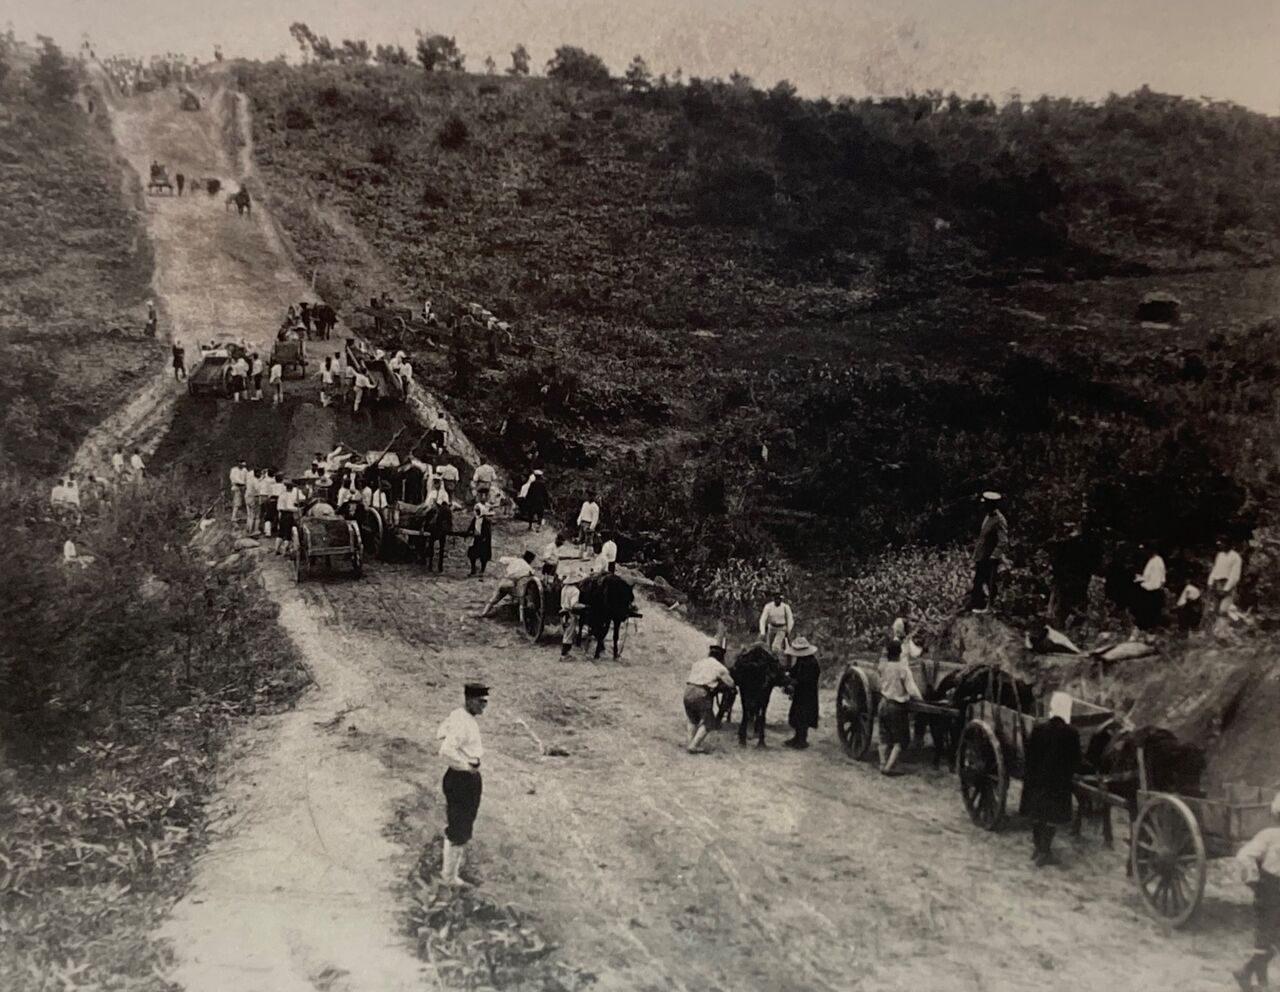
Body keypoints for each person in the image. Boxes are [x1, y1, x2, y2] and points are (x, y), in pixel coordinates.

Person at [436, 682, 489, 887]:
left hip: (461, 777)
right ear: (469, 700)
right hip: (462, 779)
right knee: (460, 828)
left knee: (462, 824)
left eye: (485, 702)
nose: (483, 706)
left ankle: (451, 872)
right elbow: (445, 751)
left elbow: (441, 731)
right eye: (480, 702)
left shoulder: (459, 715)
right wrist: (466, 765)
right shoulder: (462, 722)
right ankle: (449, 877)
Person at [1020, 692, 1081, 867]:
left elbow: (1029, 754)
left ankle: (1038, 848)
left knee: (1037, 814)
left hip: (1037, 780)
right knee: (1052, 818)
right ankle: (1045, 852)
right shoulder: (1071, 733)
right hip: (1058, 784)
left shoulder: (1039, 729)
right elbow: (1075, 760)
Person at [1234, 793, 1280, 990]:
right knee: (1265, 936)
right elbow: (1244, 855)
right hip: (1270, 889)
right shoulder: (1269, 836)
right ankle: (1257, 980)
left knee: (1272, 939)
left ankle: (1247, 974)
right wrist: (1253, 879)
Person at [877, 640, 921, 775]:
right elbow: (912, 690)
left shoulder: (883, 667)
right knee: (900, 740)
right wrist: (921, 699)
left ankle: (882, 764)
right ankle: (889, 767)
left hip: (883, 703)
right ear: (900, 653)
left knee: (884, 737)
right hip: (896, 707)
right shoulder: (903, 669)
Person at [684, 644, 735, 754]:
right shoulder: (720, 668)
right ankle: (694, 745)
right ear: (721, 657)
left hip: (688, 690)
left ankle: (690, 742)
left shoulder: (697, 663)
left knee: (692, 719)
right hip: (702, 693)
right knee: (709, 722)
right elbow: (731, 684)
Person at [971, 492, 1007, 613]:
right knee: (979, 580)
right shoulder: (988, 517)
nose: (984, 506)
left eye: (986, 504)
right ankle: (977, 605)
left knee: (990, 582)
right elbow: (982, 538)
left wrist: (994, 556)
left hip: (990, 556)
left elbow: (1003, 541)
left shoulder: (999, 520)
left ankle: (989, 606)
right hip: (982, 555)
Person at [782, 637, 819, 749]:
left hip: (807, 693)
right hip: (800, 693)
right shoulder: (801, 660)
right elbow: (794, 671)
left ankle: (802, 740)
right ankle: (797, 737)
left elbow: (806, 680)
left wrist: (793, 682)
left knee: (803, 716)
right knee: (797, 715)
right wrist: (787, 673)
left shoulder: (811, 663)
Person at [480, 550, 536, 617]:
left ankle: (484, 613)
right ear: (530, 560)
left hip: (503, 581)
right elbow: (532, 574)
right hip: (511, 584)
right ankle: (521, 617)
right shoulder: (528, 567)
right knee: (522, 599)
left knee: (494, 599)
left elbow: (502, 559)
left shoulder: (515, 560)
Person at [1132, 543, 1166, 635]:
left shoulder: (1157, 561)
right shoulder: (1151, 560)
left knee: (1149, 617)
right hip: (1149, 591)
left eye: (1145, 550)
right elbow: (1149, 577)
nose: (1143, 552)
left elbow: (1155, 581)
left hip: (1151, 592)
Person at [1210, 537, 1244, 618]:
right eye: (1218, 544)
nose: (1220, 546)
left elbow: (1234, 575)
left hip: (1227, 583)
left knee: (1223, 610)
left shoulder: (1235, 557)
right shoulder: (1219, 555)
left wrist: (1226, 589)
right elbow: (1215, 569)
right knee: (1215, 610)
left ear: (1227, 543)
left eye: (1222, 543)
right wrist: (1210, 583)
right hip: (1217, 583)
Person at [467, 503, 492, 576]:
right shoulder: (475, 519)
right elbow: (471, 527)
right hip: (476, 539)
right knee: (471, 554)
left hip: (483, 540)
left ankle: (482, 569)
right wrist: (469, 532)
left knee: (483, 556)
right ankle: (473, 569)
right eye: (476, 510)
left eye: (478, 511)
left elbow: (488, 532)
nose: (477, 512)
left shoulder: (486, 520)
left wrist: (485, 538)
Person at [276, 479, 298, 556]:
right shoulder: (290, 496)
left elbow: (279, 507)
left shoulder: (282, 495)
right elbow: (289, 507)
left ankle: (277, 549)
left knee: (280, 533)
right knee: (287, 534)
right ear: (291, 488)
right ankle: (285, 551)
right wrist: (297, 509)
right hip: (288, 515)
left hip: (281, 514)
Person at [559, 581, 581, 658]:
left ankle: (565, 653)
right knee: (569, 634)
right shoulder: (575, 591)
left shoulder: (564, 588)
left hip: (563, 612)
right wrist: (584, 606)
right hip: (570, 614)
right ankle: (564, 654)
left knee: (566, 632)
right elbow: (573, 605)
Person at [229, 459, 248, 526]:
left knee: (246, 502)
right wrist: (242, 483)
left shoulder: (245, 470)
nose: (242, 466)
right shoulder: (234, 470)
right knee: (236, 503)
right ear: (238, 464)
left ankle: (247, 516)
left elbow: (247, 477)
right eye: (241, 465)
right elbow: (234, 479)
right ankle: (233, 517)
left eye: (243, 465)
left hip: (243, 487)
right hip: (236, 487)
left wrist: (245, 484)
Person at [245, 467, 263, 535]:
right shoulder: (255, 481)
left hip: (248, 497)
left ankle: (249, 529)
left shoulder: (250, 480)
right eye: (260, 473)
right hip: (254, 497)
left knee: (250, 515)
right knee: (256, 515)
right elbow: (258, 489)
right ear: (257, 473)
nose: (261, 474)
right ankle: (255, 530)